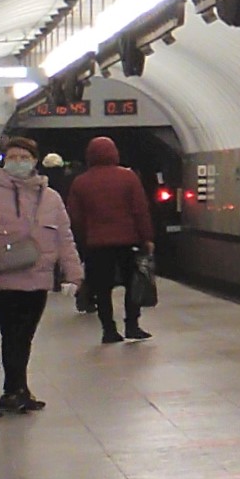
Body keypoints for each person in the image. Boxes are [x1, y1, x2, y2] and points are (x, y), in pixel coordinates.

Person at [0, 140, 74, 415]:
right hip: (1, 278)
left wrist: (74, 273)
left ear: (35, 160)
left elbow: (64, 236)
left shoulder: (51, 197)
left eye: (24, 156)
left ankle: (17, 388)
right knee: (12, 333)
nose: (18, 161)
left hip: (38, 276)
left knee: (24, 335)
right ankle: (13, 390)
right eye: (12, 156)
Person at [64, 137, 153, 343]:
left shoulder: (81, 182)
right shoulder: (128, 177)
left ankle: (109, 330)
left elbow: (75, 216)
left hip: (96, 244)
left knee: (102, 288)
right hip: (128, 241)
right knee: (133, 283)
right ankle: (132, 324)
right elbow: (141, 210)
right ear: (115, 153)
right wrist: (146, 237)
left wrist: (82, 240)